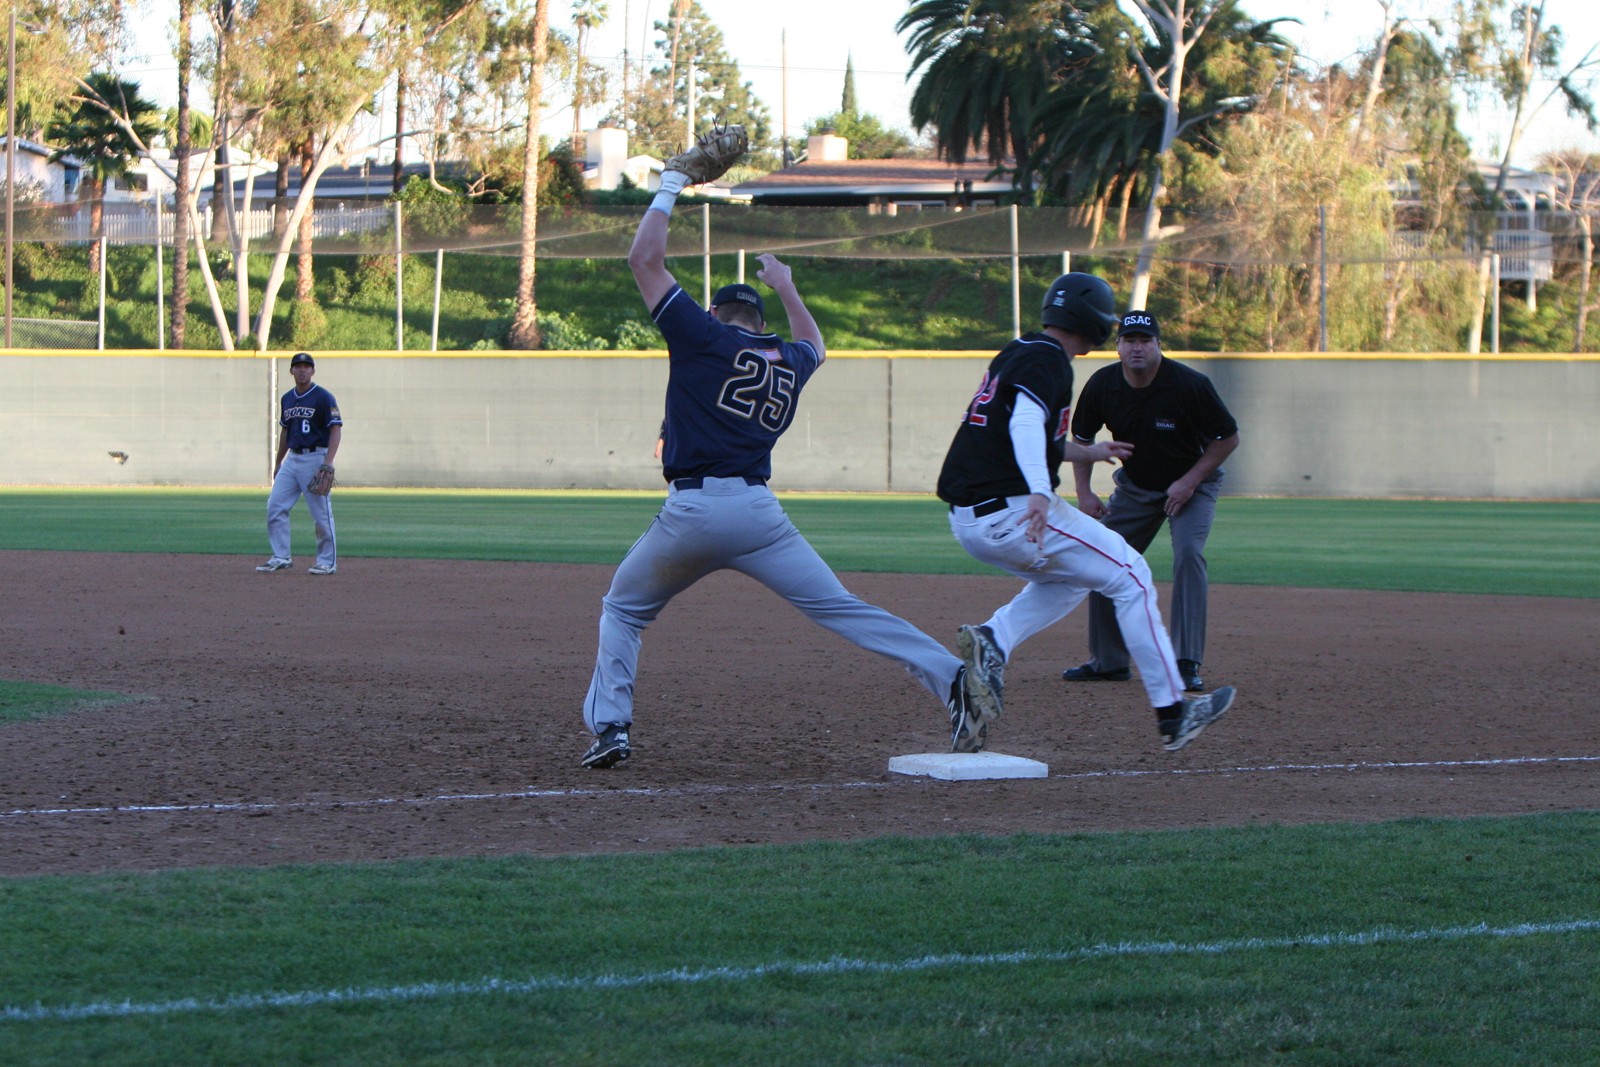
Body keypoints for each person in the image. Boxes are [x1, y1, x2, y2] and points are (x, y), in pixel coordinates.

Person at [579, 163, 992, 768]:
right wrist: (786, 284)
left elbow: (644, 259)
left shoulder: (702, 336)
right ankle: (954, 679)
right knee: (842, 607)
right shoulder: (786, 359)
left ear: (713, 313)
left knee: (622, 609)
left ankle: (612, 727)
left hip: (693, 511)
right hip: (759, 515)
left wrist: (671, 184)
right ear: (762, 324)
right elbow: (817, 345)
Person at [937, 275, 1235, 754]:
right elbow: (1024, 423)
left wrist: (1089, 453)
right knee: (1133, 575)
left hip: (971, 520)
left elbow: (1022, 431)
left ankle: (993, 639)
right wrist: (1040, 490)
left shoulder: (1020, 350)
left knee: (1080, 577)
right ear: (1093, 321)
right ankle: (1174, 712)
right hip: (1016, 510)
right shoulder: (1049, 359)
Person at [1062, 310, 1240, 693]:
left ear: (1159, 345)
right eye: (1130, 340)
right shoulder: (1103, 384)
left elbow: (1227, 438)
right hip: (1137, 487)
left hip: (1191, 486)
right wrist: (1085, 493)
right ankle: (1109, 662)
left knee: (1189, 554)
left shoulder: (1189, 384)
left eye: (1145, 340)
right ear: (1118, 346)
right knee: (1104, 555)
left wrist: (1190, 482)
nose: (1137, 347)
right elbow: (1082, 440)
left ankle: (1185, 662)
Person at [255, 351, 342, 575]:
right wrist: (278, 462)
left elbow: (335, 429)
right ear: (291, 371)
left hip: (315, 458)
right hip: (292, 459)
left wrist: (328, 462)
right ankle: (281, 556)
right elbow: (286, 431)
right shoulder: (287, 398)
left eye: (306, 366)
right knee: (275, 506)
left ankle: (327, 562)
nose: (302, 370)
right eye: (298, 366)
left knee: (321, 514)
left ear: (313, 371)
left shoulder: (324, 397)